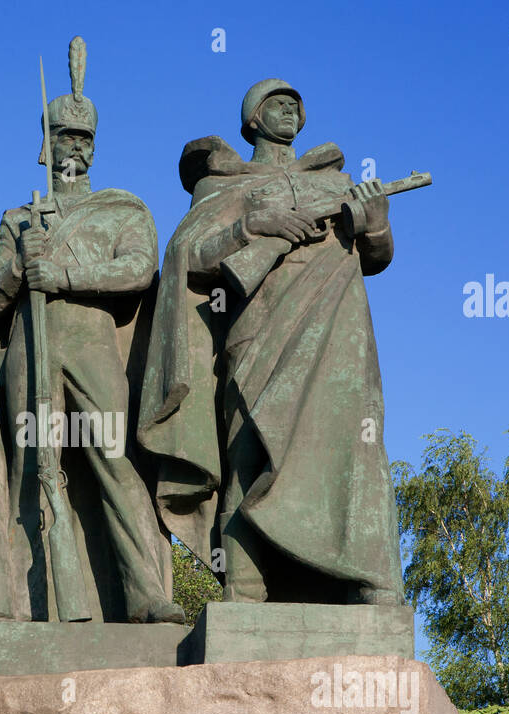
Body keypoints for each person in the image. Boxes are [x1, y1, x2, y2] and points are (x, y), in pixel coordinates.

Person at [138, 79, 404, 606]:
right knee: (250, 445)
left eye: (294, 106)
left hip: (338, 330)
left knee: (349, 444)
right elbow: (189, 258)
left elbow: (377, 255)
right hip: (257, 326)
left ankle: (364, 576)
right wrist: (254, 226)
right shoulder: (224, 186)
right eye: (275, 104)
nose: (287, 111)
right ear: (253, 119)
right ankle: (245, 582)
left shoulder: (335, 180)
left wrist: (376, 223)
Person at [0, 40, 183, 625]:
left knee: (113, 459)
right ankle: (20, 608)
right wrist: (17, 270)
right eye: (65, 137)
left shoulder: (121, 208)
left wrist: (62, 273)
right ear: (46, 145)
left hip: (91, 345)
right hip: (29, 351)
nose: (76, 148)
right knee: (28, 472)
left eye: (85, 139)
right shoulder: (20, 219)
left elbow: (138, 270)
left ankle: (146, 597)